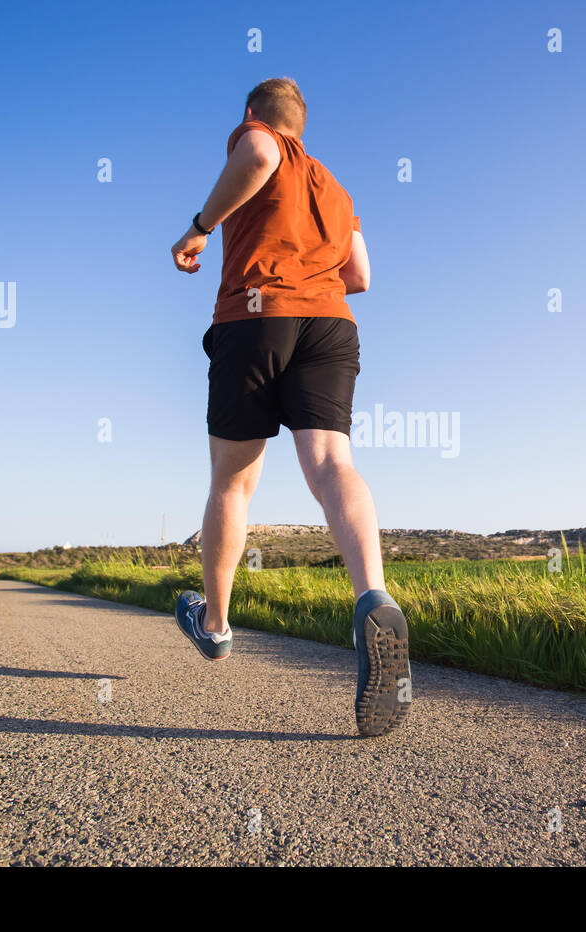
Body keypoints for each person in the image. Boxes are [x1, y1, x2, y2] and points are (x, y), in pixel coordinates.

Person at [169, 77, 410, 737]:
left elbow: (255, 159)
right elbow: (359, 275)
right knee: (332, 462)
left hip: (255, 316)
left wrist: (198, 229)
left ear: (254, 115)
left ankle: (215, 625)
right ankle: (373, 597)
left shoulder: (259, 137)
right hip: (330, 321)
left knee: (235, 481)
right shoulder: (335, 187)